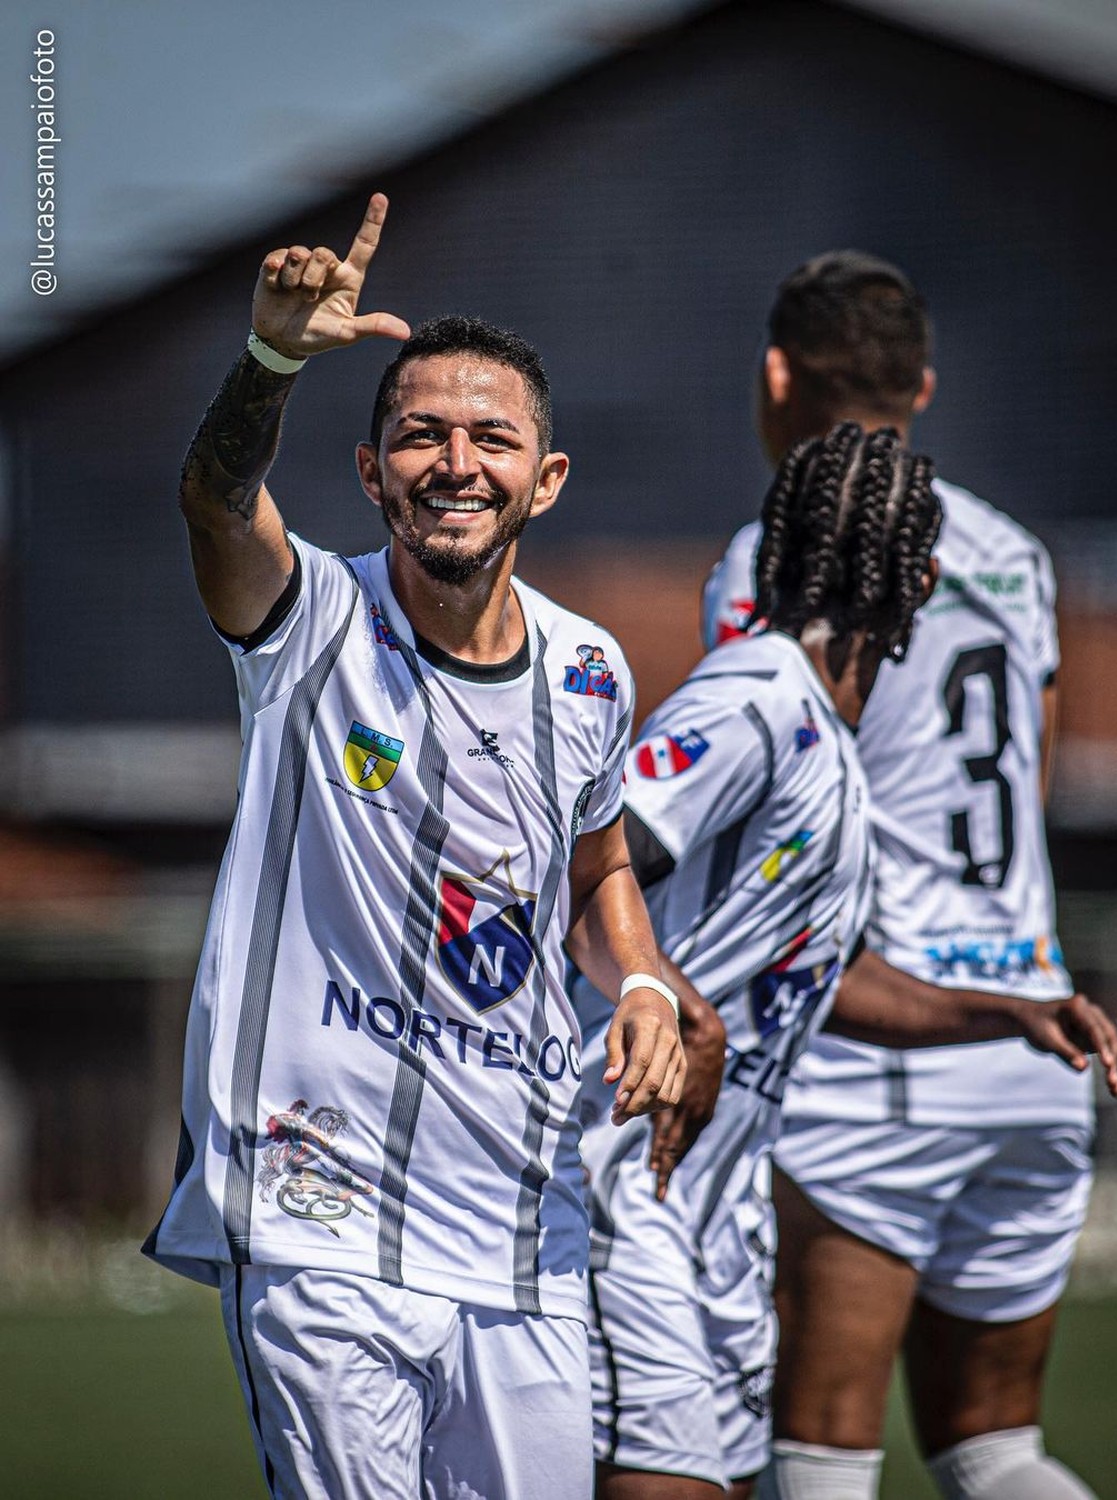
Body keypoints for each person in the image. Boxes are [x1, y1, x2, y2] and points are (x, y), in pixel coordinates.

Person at [143, 194, 687, 1500]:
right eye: (420, 436)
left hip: (523, 1234)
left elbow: (601, 865)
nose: (456, 462)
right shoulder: (308, 619)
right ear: (370, 470)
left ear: (544, 479)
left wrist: (651, 984)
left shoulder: (595, 674)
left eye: (491, 438)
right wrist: (273, 359)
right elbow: (217, 504)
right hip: (318, 1220)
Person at [573, 422, 1117, 1500]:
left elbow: (816, 985)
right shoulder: (752, 697)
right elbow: (581, 859)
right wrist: (673, 998)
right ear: (921, 580)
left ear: (770, 554)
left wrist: (1004, 1012)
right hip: (618, 1187)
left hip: (715, 1205)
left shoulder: (834, 749)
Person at [703, 252, 1116, 1500]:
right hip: (1037, 1035)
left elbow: (760, 790)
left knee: (818, 1458)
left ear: (776, 377)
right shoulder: (1018, 555)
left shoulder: (771, 557)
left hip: (876, 1045)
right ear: (922, 386)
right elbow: (1025, 799)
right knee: (997, 1452)